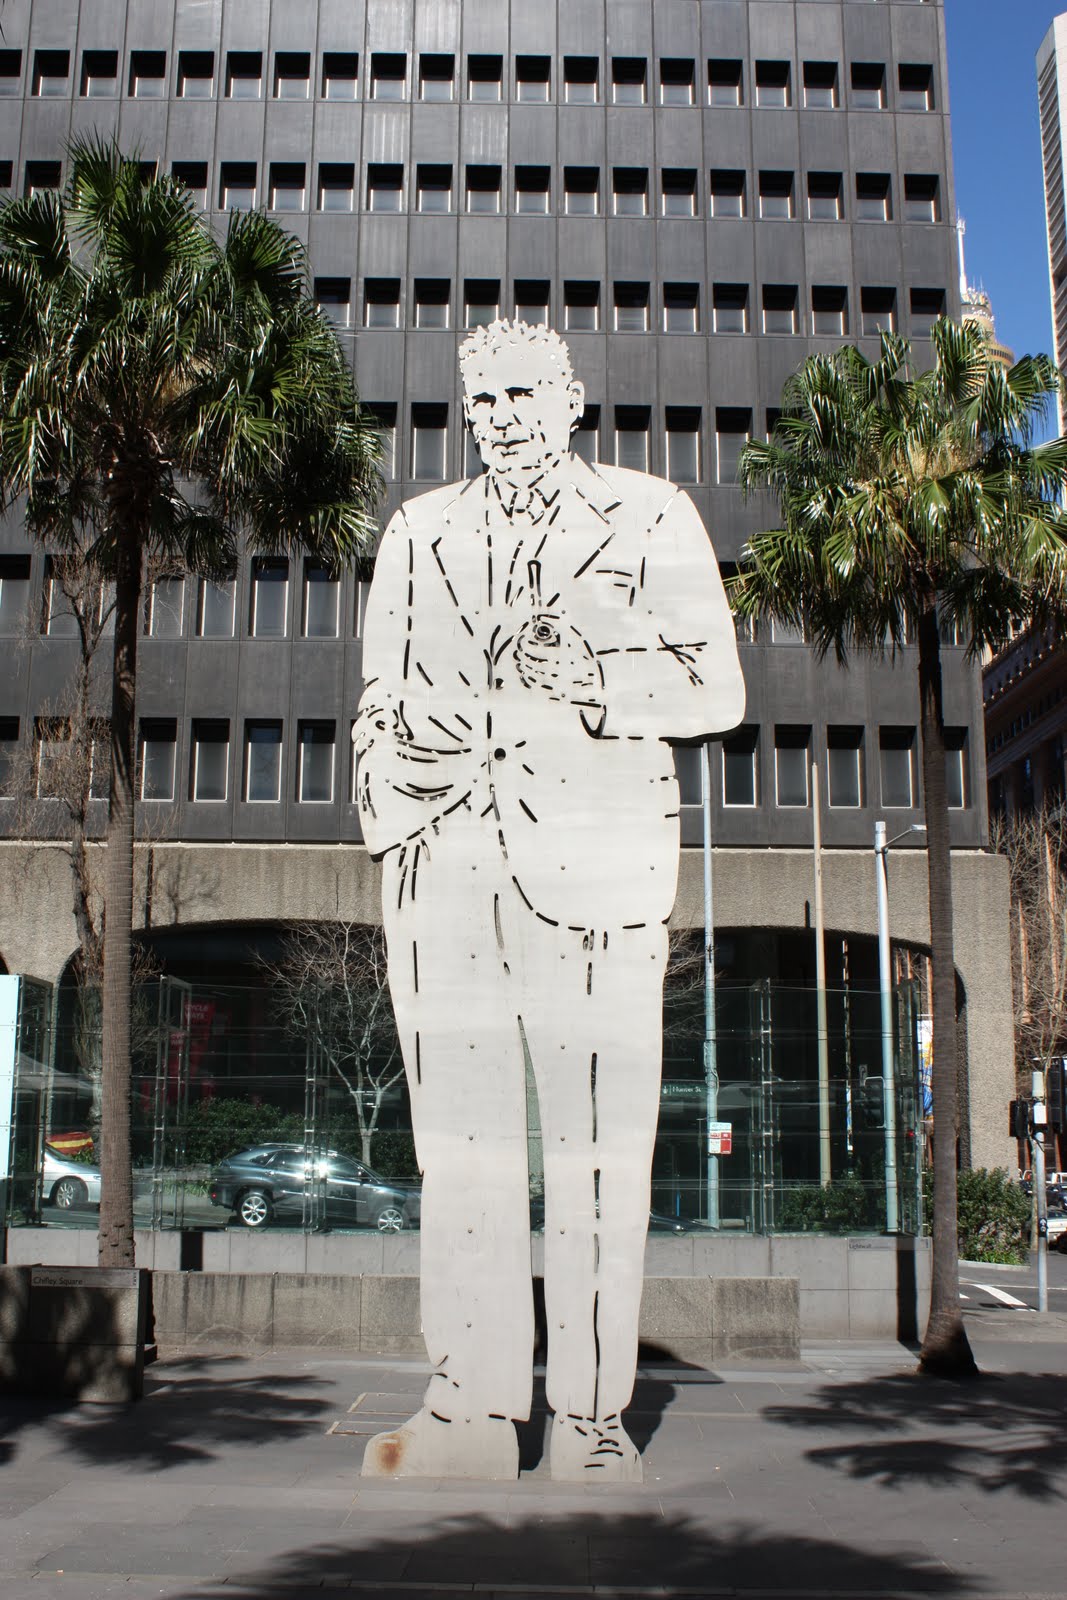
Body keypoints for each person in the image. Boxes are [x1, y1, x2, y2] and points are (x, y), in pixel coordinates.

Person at [353, 321, 744, 1480]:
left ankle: (585, 1419)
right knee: (461, 1154)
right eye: (482, 401)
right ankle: (469, 1407)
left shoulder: (651, 513)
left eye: (523, 393)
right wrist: (399, 814)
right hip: (445, 875)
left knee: (593, 1155)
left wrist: (593, 675)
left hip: (591, 871)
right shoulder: (418, 531)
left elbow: (713, 683)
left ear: (568, 398)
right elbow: (379, 696)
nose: (501, 417)